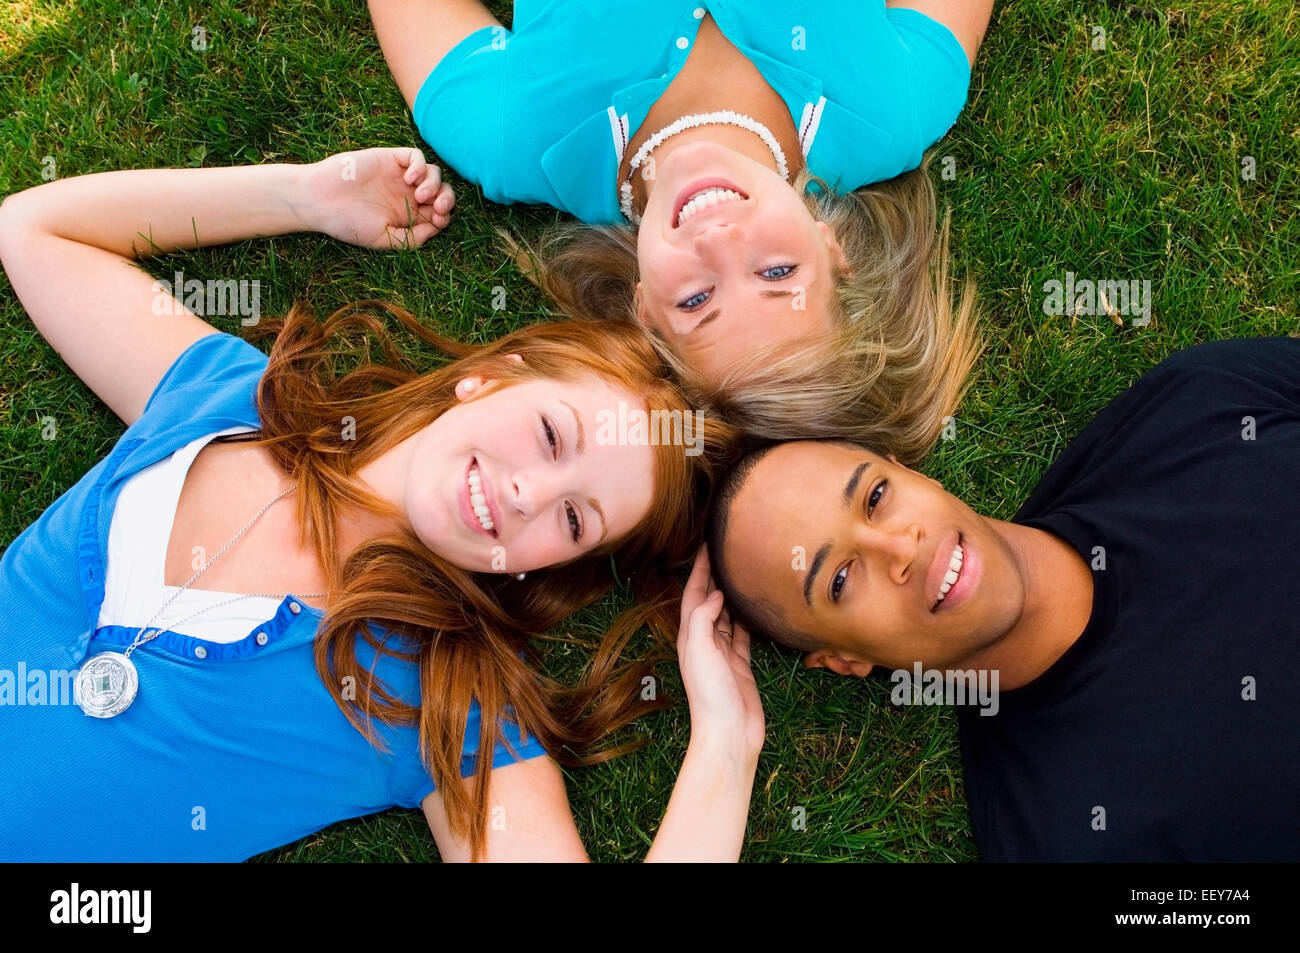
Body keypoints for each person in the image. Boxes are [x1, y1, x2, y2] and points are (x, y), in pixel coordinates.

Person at [0, 148, 763, 862]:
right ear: (495, 373)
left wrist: (726, 745)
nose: (531, 491)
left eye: (574, 519)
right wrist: (303, 194)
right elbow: (37, 231)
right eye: (550, 436)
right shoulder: (225, 398)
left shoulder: (448, 700)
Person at [704, 337, 1300, 860]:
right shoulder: (1067, 837)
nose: (899, 548)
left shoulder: (1199, 407)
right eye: (839, 580)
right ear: (842, 660)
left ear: (912, 472)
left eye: (876, 496)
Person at [369, 0, 992, 462]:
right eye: (778, 274)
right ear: (835, 250)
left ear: (643, 308)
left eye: (697, 302)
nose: (718, 240)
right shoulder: (898, 107)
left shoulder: (513, 139)